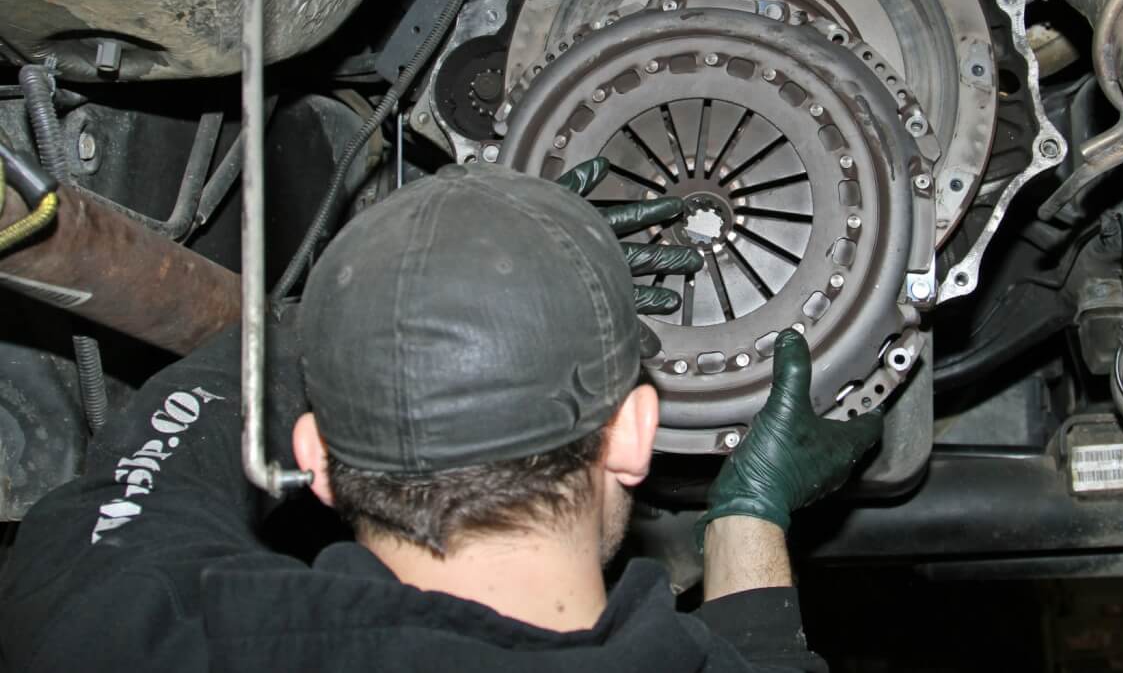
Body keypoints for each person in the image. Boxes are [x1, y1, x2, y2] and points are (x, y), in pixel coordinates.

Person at [0, 160, 885, 671]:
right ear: (634, 434)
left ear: (315, 460)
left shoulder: (119, 638)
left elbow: (128, 495)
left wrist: (371, 303)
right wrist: (748, 512)